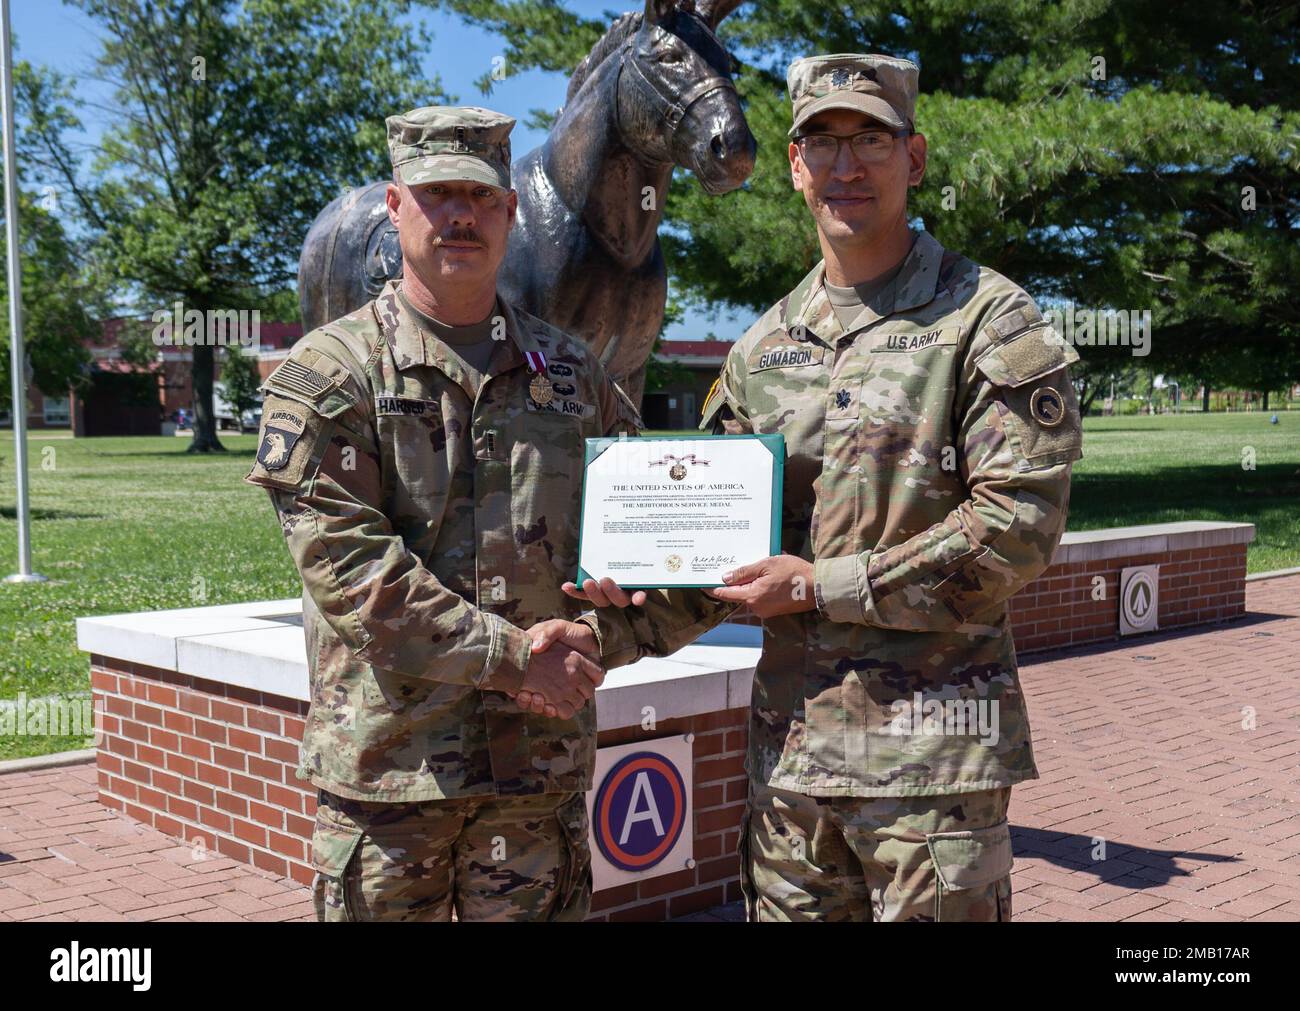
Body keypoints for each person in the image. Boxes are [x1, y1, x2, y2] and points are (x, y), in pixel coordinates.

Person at [536, 53, 1083, 921]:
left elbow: (1014, 530)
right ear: (795, 168)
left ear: (915, 157)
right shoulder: (763, 350)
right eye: (820, 143)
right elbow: (717, 549)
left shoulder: (991, 320)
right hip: (791, 774)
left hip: (931, 778)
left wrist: (820, 586)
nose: (845, 165)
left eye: (870, 137)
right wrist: (609, 621)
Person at [245, 104, 718, 921]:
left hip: (534, 781)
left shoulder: (572, 371)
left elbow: (659, 537)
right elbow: (354, 576)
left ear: (509, 211)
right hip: (394, 782)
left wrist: (610, 629)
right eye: (437, 194)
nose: (460, 214)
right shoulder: (326, 376)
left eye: (480, 194)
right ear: (395, 208)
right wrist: (517, 658)